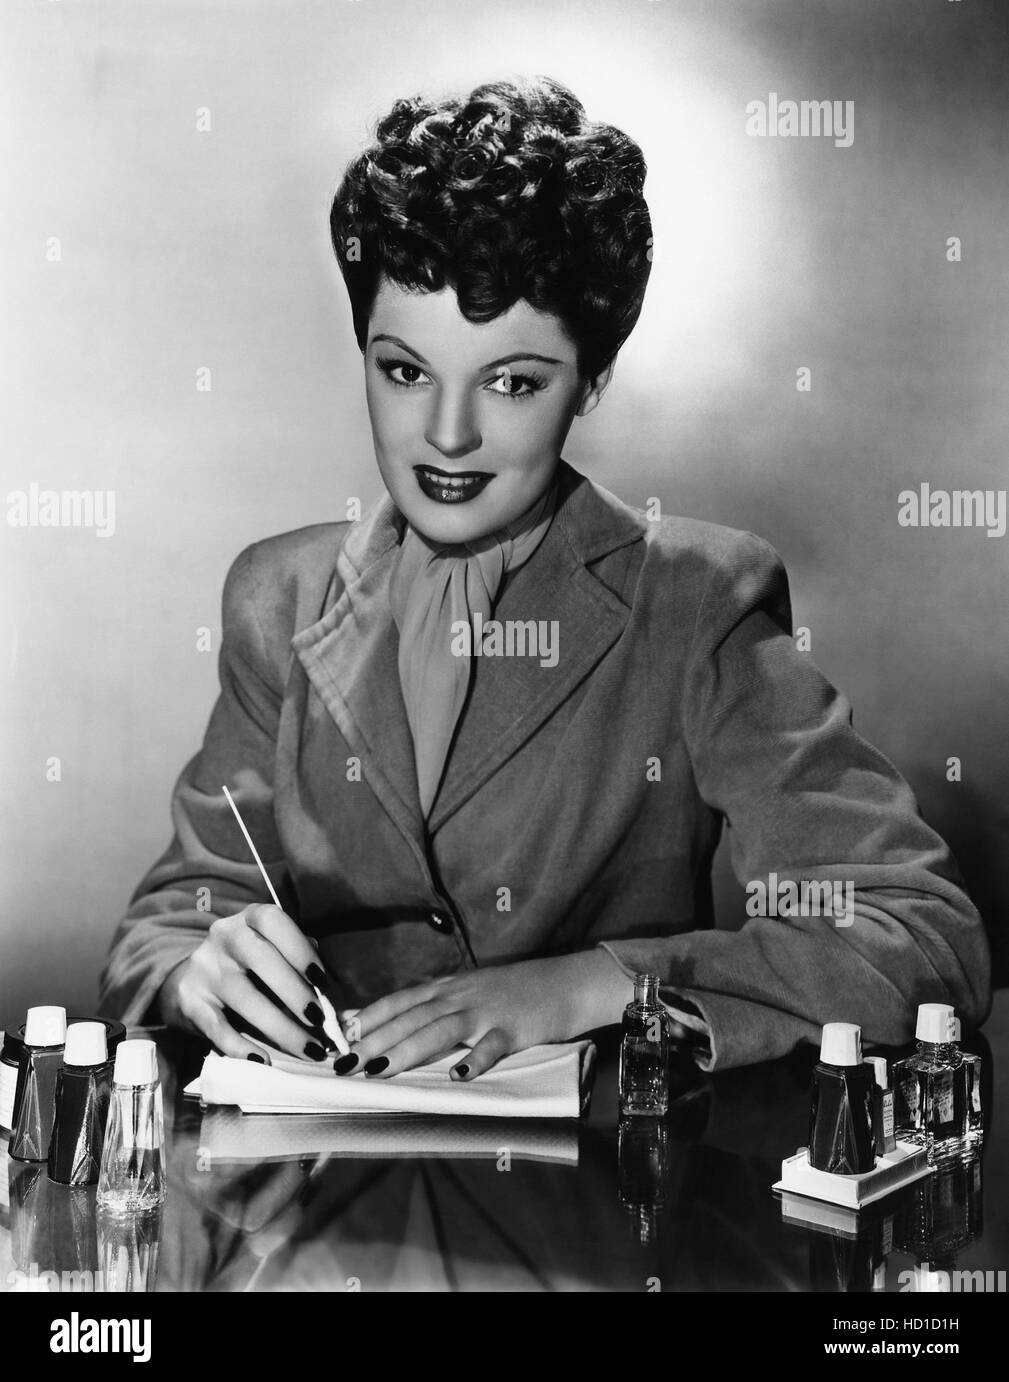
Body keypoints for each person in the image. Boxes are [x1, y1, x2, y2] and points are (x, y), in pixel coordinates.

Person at [98, 76, 990, 1080]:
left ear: (593, 379)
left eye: (512, 383)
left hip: (600, 1207)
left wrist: (586, 985)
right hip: (323, 1202)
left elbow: (921, 935)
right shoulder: (275, 595)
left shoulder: (697, 603)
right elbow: (172, 918)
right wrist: (191, 969)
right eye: (404, 371)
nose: (447, 433)